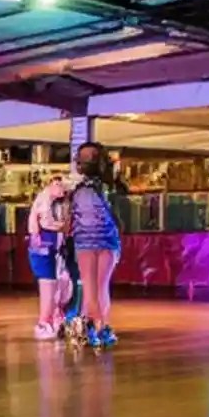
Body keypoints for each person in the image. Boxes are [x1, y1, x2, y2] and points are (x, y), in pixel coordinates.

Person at [70, 142, 123, 348]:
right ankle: (100, 327)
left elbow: (71, 219)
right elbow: (119, 217)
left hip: (88, 241)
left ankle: (95, 327)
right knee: (100, 287)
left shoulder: (79, 190)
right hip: (105, 241)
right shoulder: (110, 188)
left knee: (92, 288)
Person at [27, 175, 70, 339]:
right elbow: (45, 223)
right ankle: (44, 322)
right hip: (43, 247)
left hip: (56, 248)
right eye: (57, 184)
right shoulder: (43, 199)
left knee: (63, 283)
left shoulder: (61, 202)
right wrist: (63, 227)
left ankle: (55, 316)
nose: (61, 188)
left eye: (62, 184)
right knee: (48, 285)